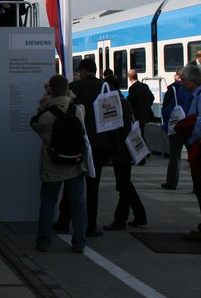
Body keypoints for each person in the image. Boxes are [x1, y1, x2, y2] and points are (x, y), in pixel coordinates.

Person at [54, 57, 116, 237]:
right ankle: (91, 226)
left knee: (71, 182)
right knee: (93, 186)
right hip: (99, 144)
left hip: (78, 142)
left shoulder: (74, 87)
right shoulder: (108, 88)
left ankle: (64, 221)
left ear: (82, 70)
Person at [30, 74, 88, 253]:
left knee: (48, 201)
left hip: (52, 164)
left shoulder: (46, 115)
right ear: (67, 89)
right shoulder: (78, 111)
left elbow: (34, 124)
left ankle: (44, 242)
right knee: (78, 203)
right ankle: (79, 243)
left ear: (51, 91)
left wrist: (43, 103)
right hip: (75, 164)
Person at [102, 76, 147, 230]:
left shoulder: (114, 103)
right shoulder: (124, 101)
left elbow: (115, 129)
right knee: (125, 183)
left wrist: (110, 149)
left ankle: (120, 220)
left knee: (123, 185)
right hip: (126, 148)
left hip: (120, 149)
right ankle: (140, 215)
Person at [178, 64, 201, 242]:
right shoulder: (198, 95)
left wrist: (190, 140)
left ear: (193, 81)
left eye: (185, 81)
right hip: (199, 147)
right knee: (200, 189)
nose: (182, 84)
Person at [160, 67, 192, 189]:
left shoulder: (172, 89)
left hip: (176, 126)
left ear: (178, 76)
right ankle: (197, 183)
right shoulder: (191, 89)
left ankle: (171, 182)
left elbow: (165, 109)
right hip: (189, 125)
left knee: (175, 155)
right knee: (192, 154)